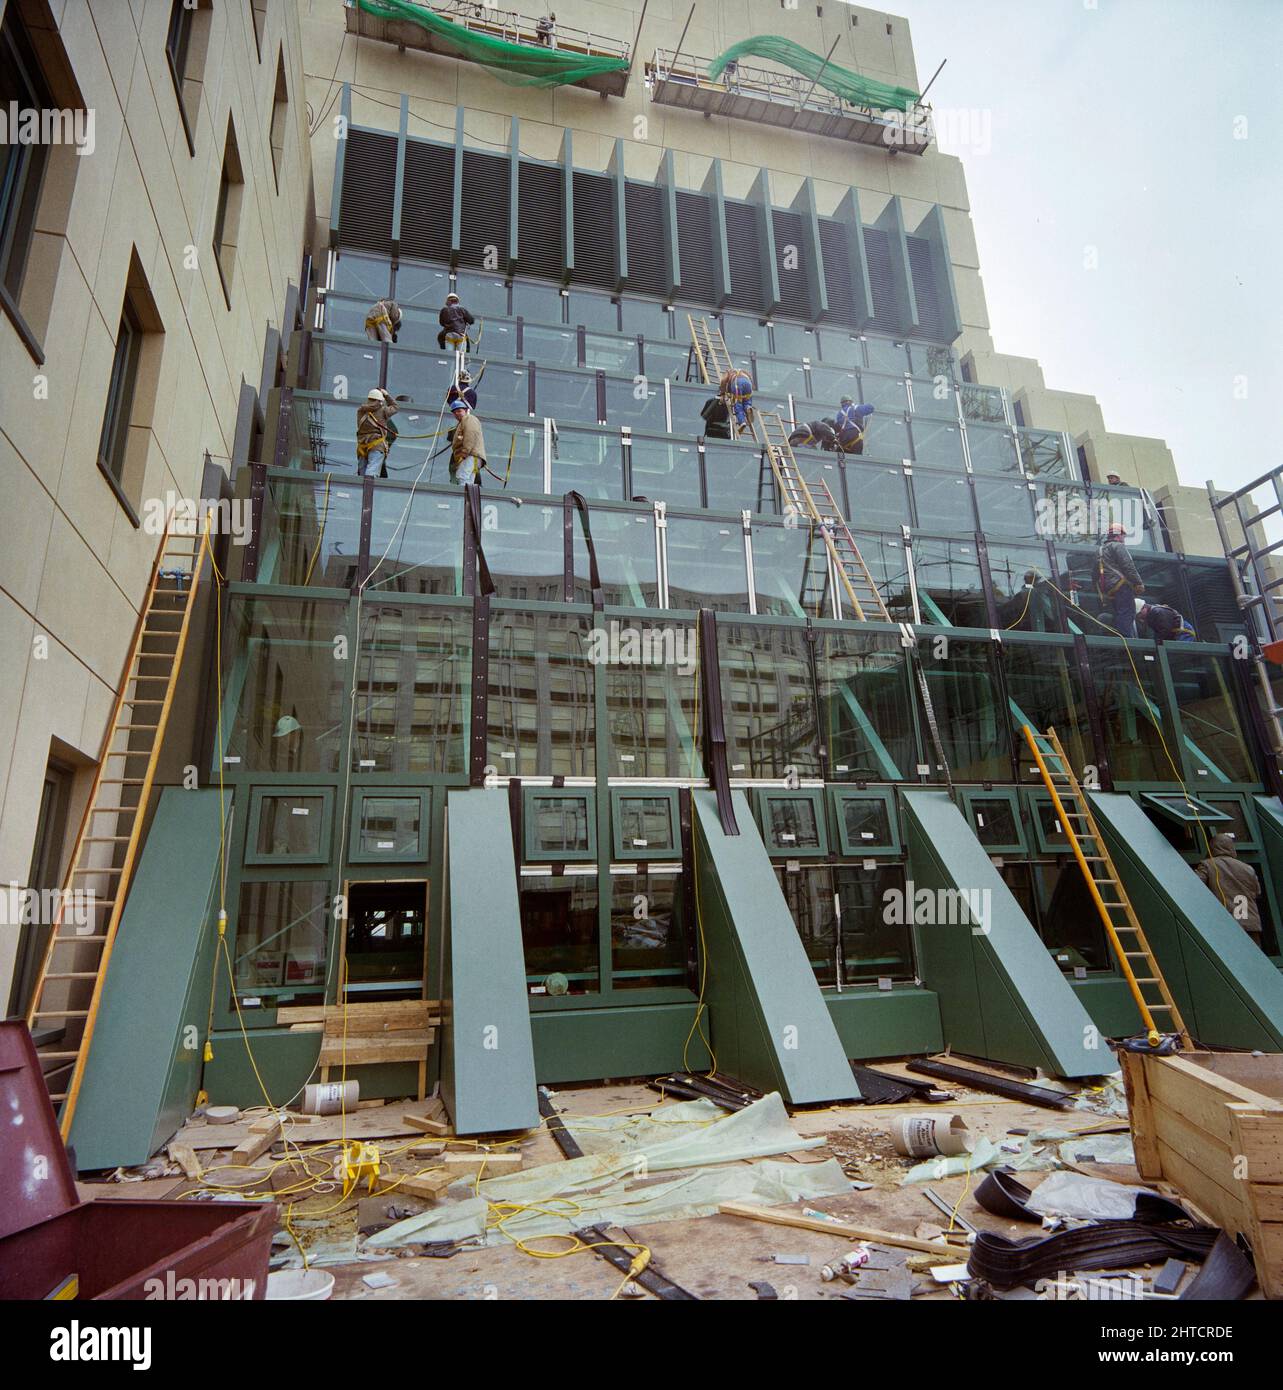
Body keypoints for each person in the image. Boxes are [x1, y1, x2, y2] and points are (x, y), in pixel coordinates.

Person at [1195, 833, 1263, 943]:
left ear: (1212, 848)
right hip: (1251, 926)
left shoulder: (1207, 865)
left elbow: (1194, 887)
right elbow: (1257, 892)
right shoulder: (1248, 868)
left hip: (1226, 926)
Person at [1095, 520, 1144, 636]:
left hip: (1109, 588)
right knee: (1128, 612)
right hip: (1121, 585)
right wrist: (1138, 583)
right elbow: (1128, 566)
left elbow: (1095, 573)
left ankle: (1119, 636)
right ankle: (1126, 639)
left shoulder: (1100, 550)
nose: (1123, 539)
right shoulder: (1118, 546)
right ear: (1118, 535)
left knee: (1119, 613)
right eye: (1123, 536)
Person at [355, 387, 398, 478]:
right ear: (380, 400)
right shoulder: (383, 410)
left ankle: (363, 491)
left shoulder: (361, 410)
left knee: (362, 475)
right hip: (376, 445)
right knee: (371, 473)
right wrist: (386, 395)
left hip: (362, 445)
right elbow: (395, 407)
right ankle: (368, 490)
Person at [449, 401, 487, 485]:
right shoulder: (463, 422)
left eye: (459, 411)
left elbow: (470, 434)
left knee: (462, 477)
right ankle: (467, 497)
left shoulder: (469, 418)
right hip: (472, 456)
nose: (457, 414)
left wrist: (464, 452)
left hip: (469, 455)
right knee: (468, 481)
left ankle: (462, 497)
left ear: (466, 411)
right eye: (455, 412)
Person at [719, 364, 755, 435]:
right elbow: (752, 383)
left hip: (737, 383)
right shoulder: (744, 371)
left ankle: (742, 422)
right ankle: (748, 408)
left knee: (737, 405)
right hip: (748, 384)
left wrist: (722, 393)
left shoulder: (729, 372)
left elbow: (723, 380)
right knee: (746, 402)